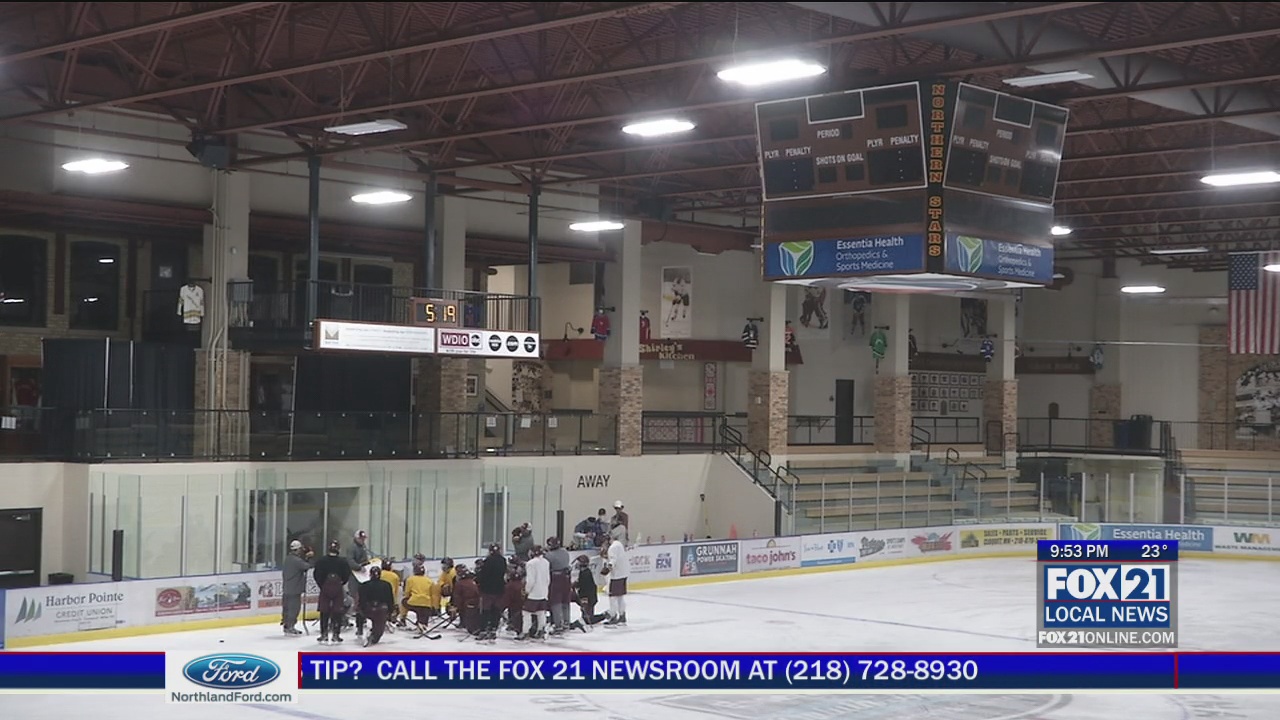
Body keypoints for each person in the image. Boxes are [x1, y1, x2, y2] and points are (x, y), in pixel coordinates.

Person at [313, 540, 351, 644]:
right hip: (338, 588)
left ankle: (324, 634)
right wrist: (341, 583)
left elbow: (316, 574)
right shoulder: (342, 561)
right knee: (337, 611)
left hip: (325, 588)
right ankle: (336, 634)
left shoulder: (321, 561)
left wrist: (322, 585)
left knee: (324, 611)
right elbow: (347, 575)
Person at [281, 539, 314, 636]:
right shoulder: (297, 561)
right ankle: (290, 626)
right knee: (294, 608)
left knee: (286, 608)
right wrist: (310, 557)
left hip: (287, 588)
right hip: (295, 589)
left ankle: (286, 625)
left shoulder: (288, 558)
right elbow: (308, 566)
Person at [357, 565, 395, 647]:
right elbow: (390, 600)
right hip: (381, 610)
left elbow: (361, 601)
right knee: (378, 630)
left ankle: (360, 630)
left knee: (359, 613)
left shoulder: (364, 585)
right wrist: (390, 612)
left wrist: (361, 610)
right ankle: (374, 636)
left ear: (370, 574)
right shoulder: (386, 585)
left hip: (368, 609)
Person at [476, 544, 508, 640]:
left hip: (487, 590)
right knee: (496, 610)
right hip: (499, 589)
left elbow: (483, 575)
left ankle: (483, 629)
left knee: (486, 610)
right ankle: (493, 628)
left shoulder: (488, 561)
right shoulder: (503, 560)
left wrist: (480, 583)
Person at [569, 554, 609, 630]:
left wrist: (584, 600)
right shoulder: (584, 572)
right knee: (586, 616)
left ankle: (604, 615)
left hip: (588, 598)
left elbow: (585, 587)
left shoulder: (585, 573)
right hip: (588, 597)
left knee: (587, 619)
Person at [520, 545, 551, 640]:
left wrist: (527, 591)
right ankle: (541, 630)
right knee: (541, 613)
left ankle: (525, 632)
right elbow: (548, 579)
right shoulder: (546, 562)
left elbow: (531, 580)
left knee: (526, 613)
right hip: (543, 592)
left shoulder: (530, 563)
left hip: (533, 593)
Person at [346, 530, 372, 637]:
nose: (363, 540)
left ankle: (362, 618)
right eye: (361, 538)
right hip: (355, 576)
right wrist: (358, 567)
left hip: (363, 576)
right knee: (355, 597)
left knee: (363, 597)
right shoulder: (352, 548)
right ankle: (357, 618)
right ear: (356, 538)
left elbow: (365, 559)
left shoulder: (363, 547)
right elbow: (350, 561)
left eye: (364, 538)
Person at [545, 536, 573, 635]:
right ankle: (566, 622)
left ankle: (558, 625)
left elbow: (547, 567)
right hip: (567, 578)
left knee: (556, 602)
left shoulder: (549, 556)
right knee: (566, 601)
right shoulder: (565, 552)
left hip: (556, 579)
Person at [601, 531, 630, 626]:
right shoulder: (618, 544)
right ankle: (622, 615)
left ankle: (613, 616)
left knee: (612, 597)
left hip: (616, 575)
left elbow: (613, 560)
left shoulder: (612, 548)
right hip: (623, 573)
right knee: (620, 596)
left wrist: (607, 569)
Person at [402, 564, 438, 637]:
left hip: (413, 602)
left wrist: (407, 598)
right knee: (424, 611)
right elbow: (433, 595)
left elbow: (407, 593)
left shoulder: (410, 579)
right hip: (426, 603)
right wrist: (434, 606)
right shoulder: (429, 581)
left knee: (404, 601)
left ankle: (402, 618)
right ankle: (423, 624)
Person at [451, 564, 482, 636]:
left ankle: (471, 627)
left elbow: (457, 597)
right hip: (477, 602)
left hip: (468, 603)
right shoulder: (472, 580)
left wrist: (456, 607)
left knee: (470, 621)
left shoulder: (460, 584)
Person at [501, 559, 526, 637]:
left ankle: (515, 626)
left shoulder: (509, 586)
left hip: (514, 605)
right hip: (523, 604)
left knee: (514, 613)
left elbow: (507, 598)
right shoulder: (522, 584)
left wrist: (502, 607)